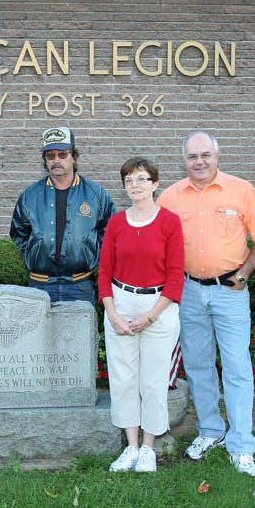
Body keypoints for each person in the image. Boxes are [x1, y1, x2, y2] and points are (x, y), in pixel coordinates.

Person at [157, 131, 255, 477]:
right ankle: (210, 431)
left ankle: (241, 444)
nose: (199, 162)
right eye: (193, 156)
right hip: (189, 290)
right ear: (184, 161)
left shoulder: (241, 190)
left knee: (237, 367)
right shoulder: (170, 197)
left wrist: (244, 275)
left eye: (205, 155)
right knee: (197, 365)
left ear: (217, 156)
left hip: (230, 290)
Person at [98, 158, 184, 473]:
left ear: (155, 184)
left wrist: (150, 316)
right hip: (121, 304)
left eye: (142, 179)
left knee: (153, 380)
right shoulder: (116, 223)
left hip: (158, 307)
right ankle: (131, 447)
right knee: (123, 380)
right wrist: (113, 314)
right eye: (129, 181)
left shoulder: (169, 222)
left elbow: (176, 276)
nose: (135, 185)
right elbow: (104, 272)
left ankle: (149, 447)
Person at [9, 126, 115, 306]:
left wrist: (90, 252)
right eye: (50, 155)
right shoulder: (31, 195)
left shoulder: (95, 194)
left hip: (80, 285)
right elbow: (18, 233)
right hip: (40, 286)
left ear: (73, 156)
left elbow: (110, 233)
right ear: (45, 160)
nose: (56, 160)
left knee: (80, 335)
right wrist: (35, 251)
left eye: (62, 154)